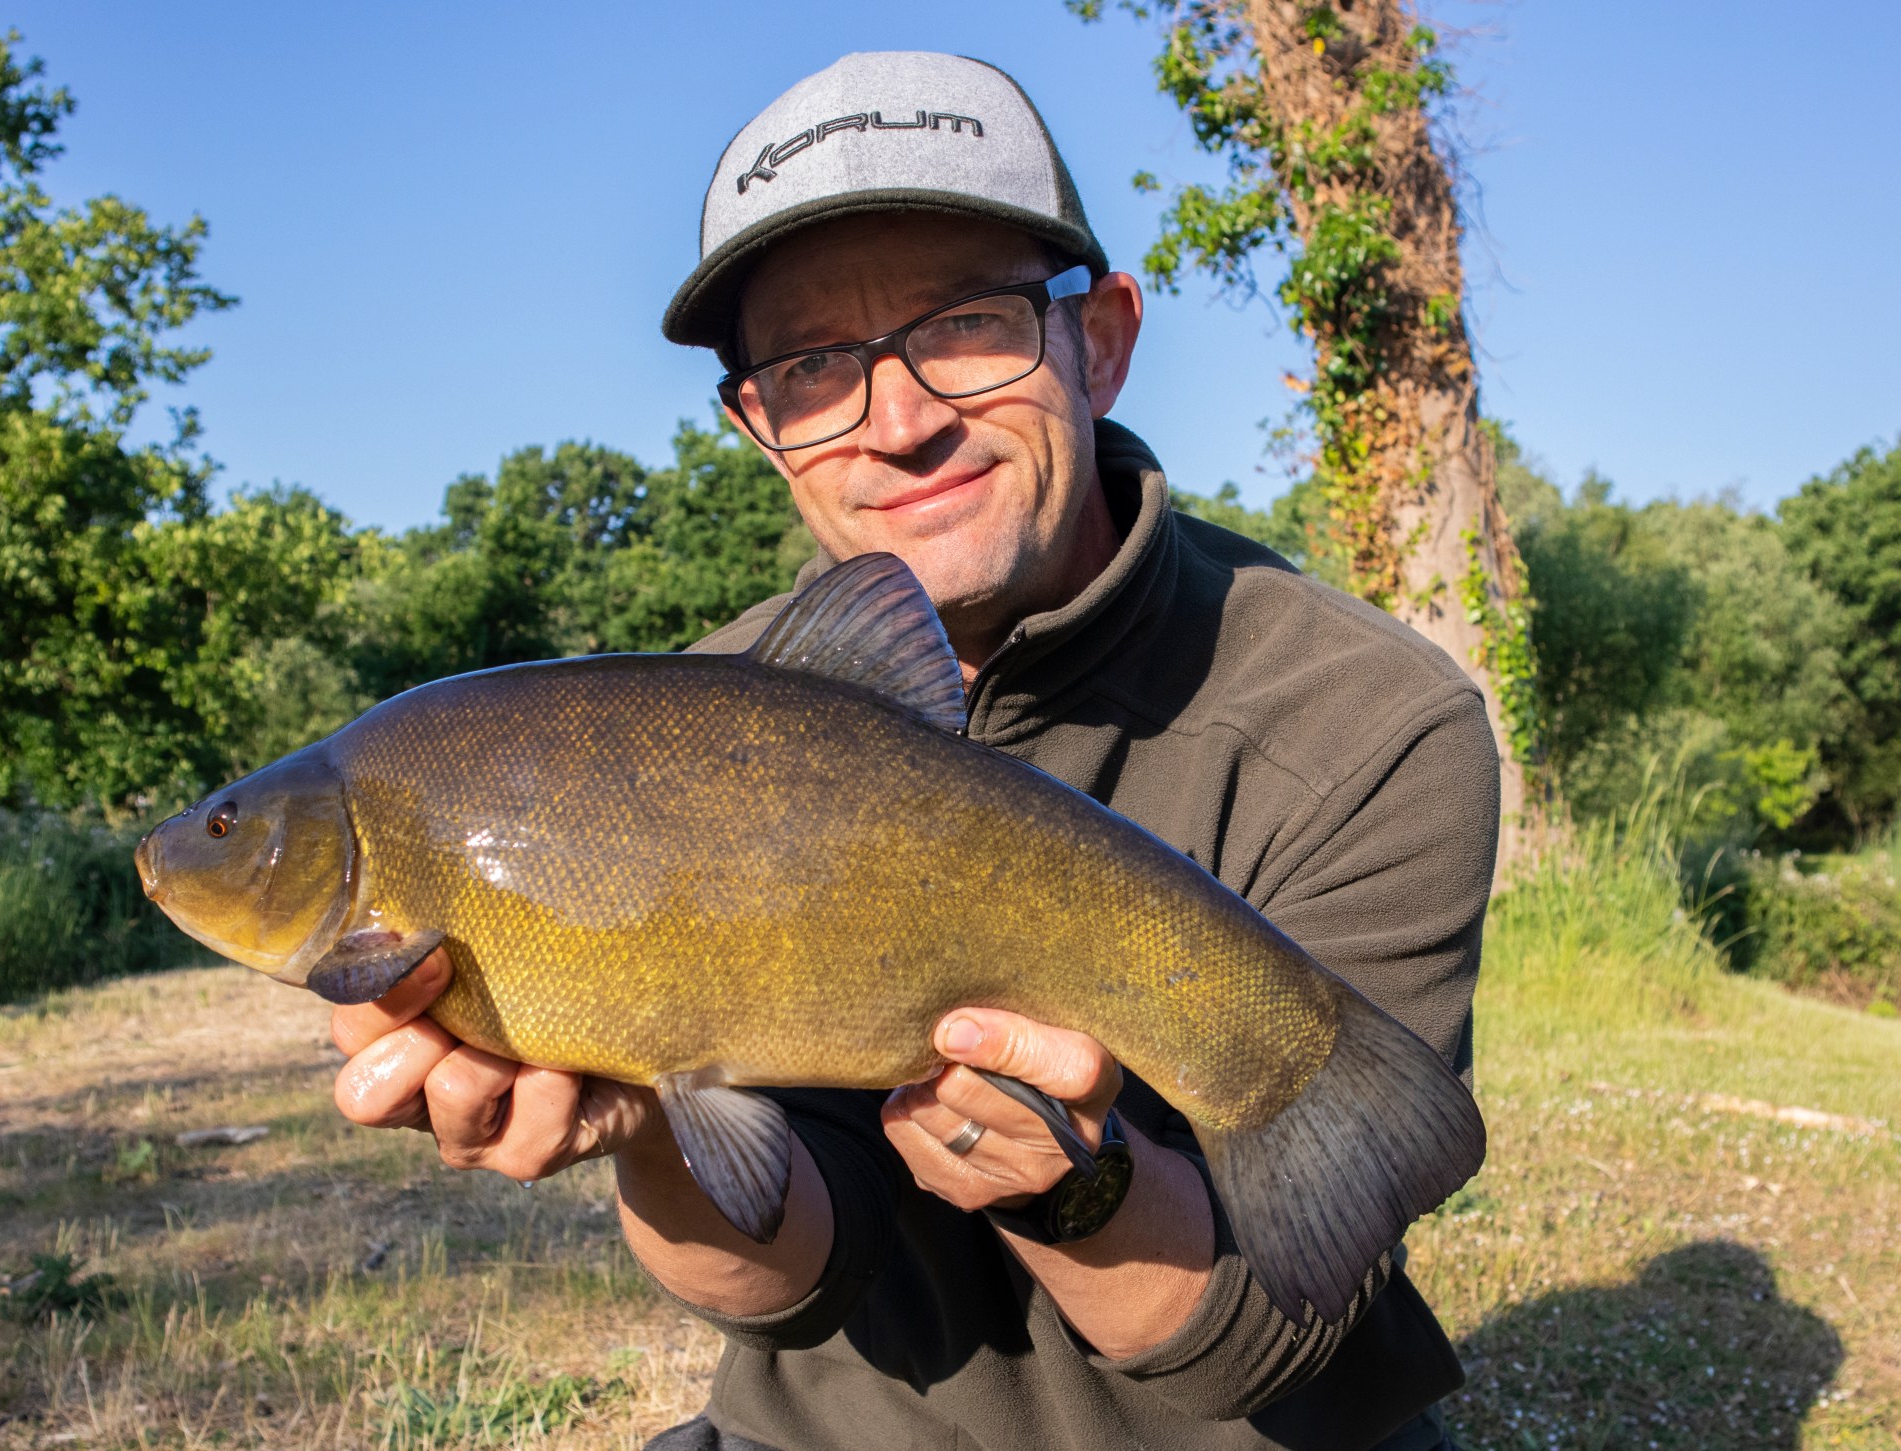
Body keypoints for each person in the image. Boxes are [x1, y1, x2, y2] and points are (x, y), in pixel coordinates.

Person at [327, 52, 1499, 1451]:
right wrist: (638, 1127)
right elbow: (786, 1282)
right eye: (815, 366)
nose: (901, 421)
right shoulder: (682, 726)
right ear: (760, 424)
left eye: (966, 325)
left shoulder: (1369, 716)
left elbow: (1273, 1345)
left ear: (1103, 339)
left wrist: (1074, 1187)